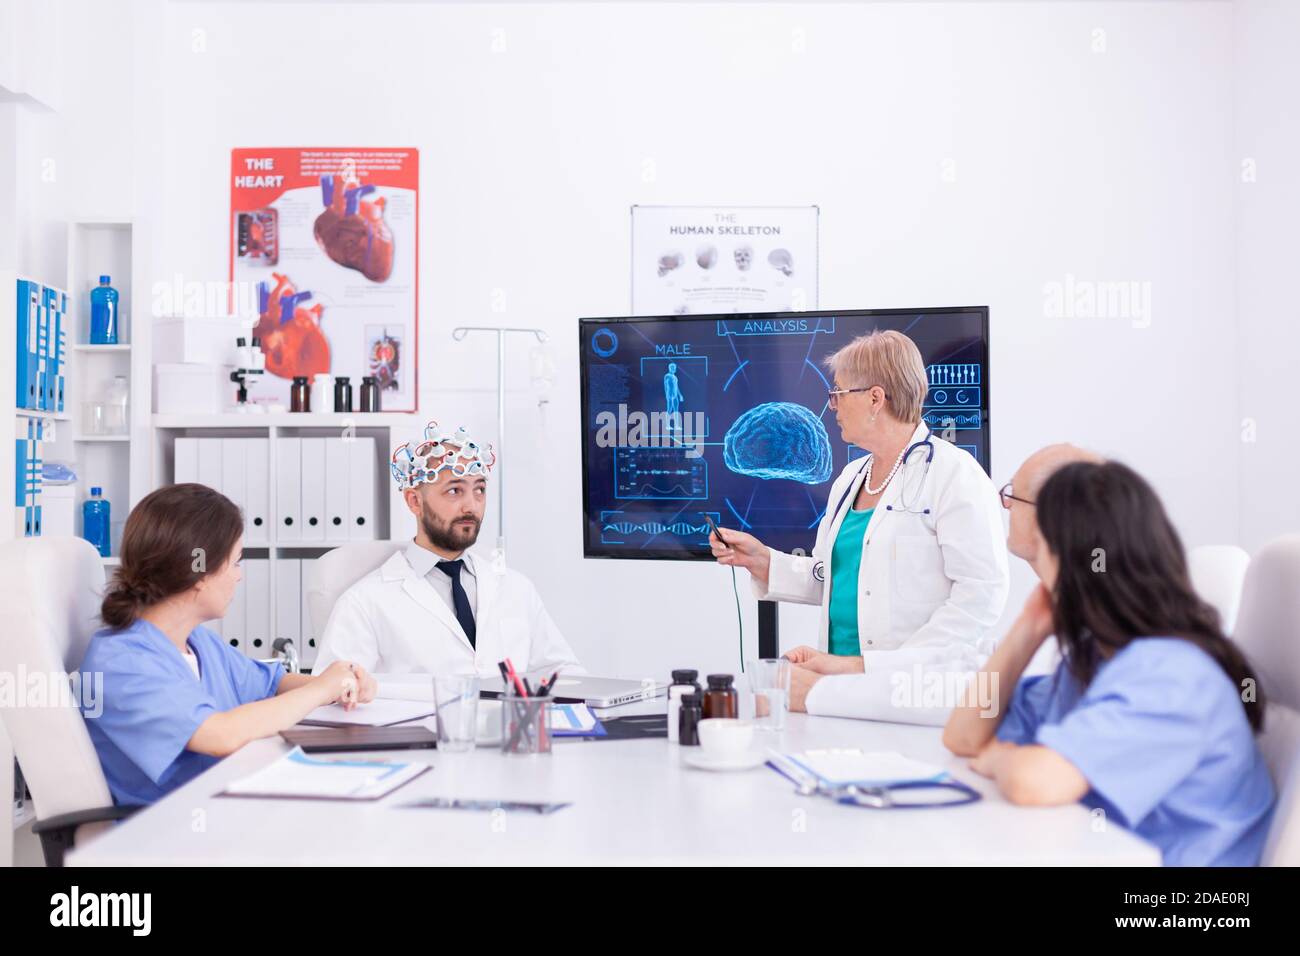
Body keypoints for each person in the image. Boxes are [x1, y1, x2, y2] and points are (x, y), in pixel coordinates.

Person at [943, 461, 1275, 866]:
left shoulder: (1173, 675)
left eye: (1041, 557)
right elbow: (963, 736)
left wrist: (1000, 759)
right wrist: (1028, 629)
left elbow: (1036, 782)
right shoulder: (1094, 657)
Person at [711, 330, 1008, 723]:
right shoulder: (852, 478)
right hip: (834, 686)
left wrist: (878, 667)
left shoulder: (955, 475)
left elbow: (981, 596)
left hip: (911, 695)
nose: (831, 406)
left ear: (874, 398)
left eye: (837, 393)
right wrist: (765, 562)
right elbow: (835, 577)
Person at [79, 484, 377, 807]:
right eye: (236, 562)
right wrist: (321, 690)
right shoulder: (122, 662)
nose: (239, 576)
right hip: (172, 833)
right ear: (199, 573)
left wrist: (344, 680)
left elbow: (272, 683)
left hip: (228, 806)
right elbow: (219, 736)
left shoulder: (197, 643)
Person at [315, 421, 582, 679]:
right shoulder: (364, 602)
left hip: (508, 724)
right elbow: (331, 697)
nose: (471, 506)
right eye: (454, 490)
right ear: (414, 501)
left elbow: (564, 673)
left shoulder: (517, 589)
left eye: (479, 490)